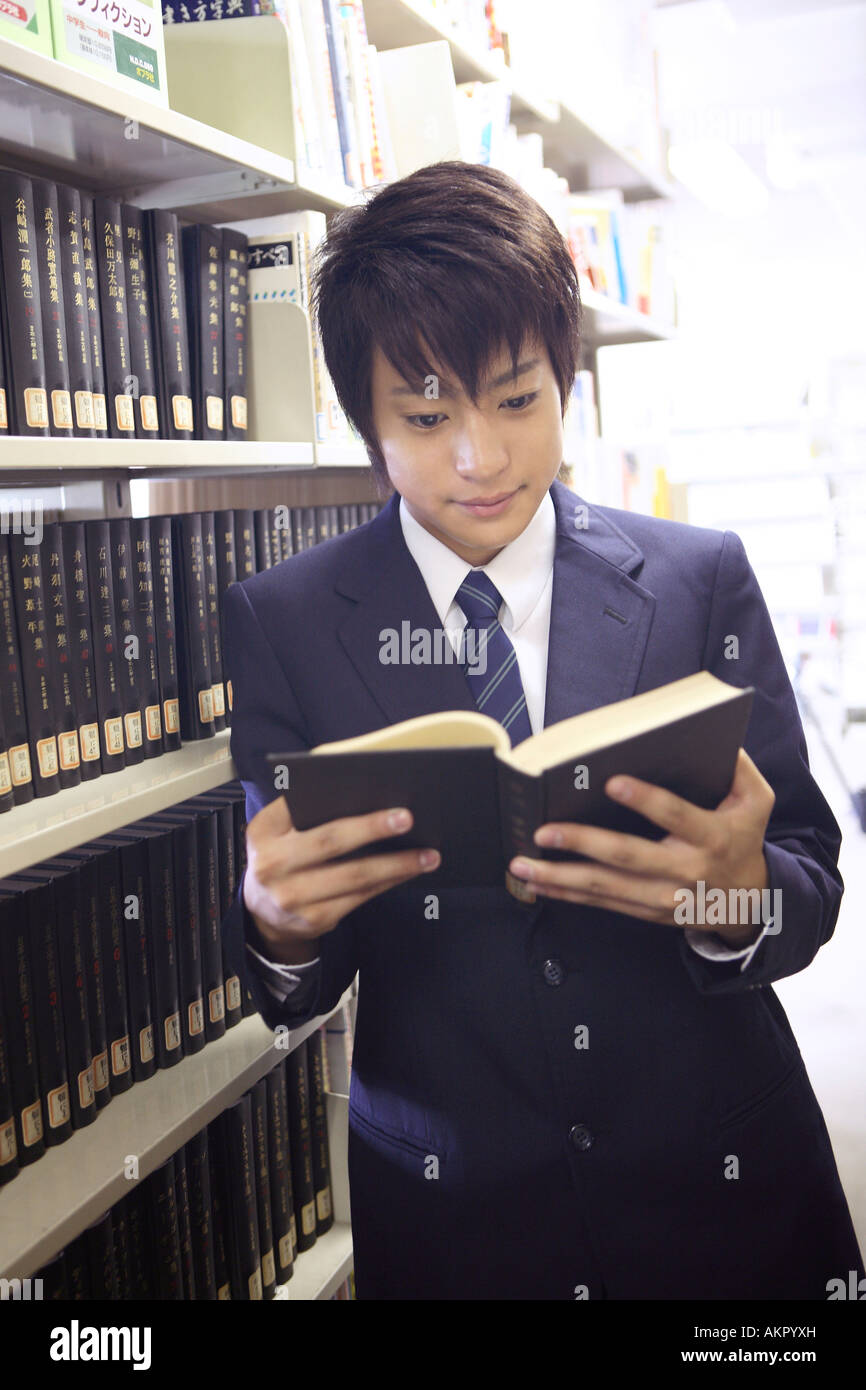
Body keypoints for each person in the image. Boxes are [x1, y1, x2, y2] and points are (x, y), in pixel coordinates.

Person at [221, 161, 864, 1300]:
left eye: (517, 400)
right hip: (456, 1204)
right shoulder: (285, 622)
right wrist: (277, 929)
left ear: (564, 379)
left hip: (716, 1183)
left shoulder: (695, 579)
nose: (482, 458)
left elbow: (808, 884)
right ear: (362, 415)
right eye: (426, 416)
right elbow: (294, 981)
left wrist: (732, 896)